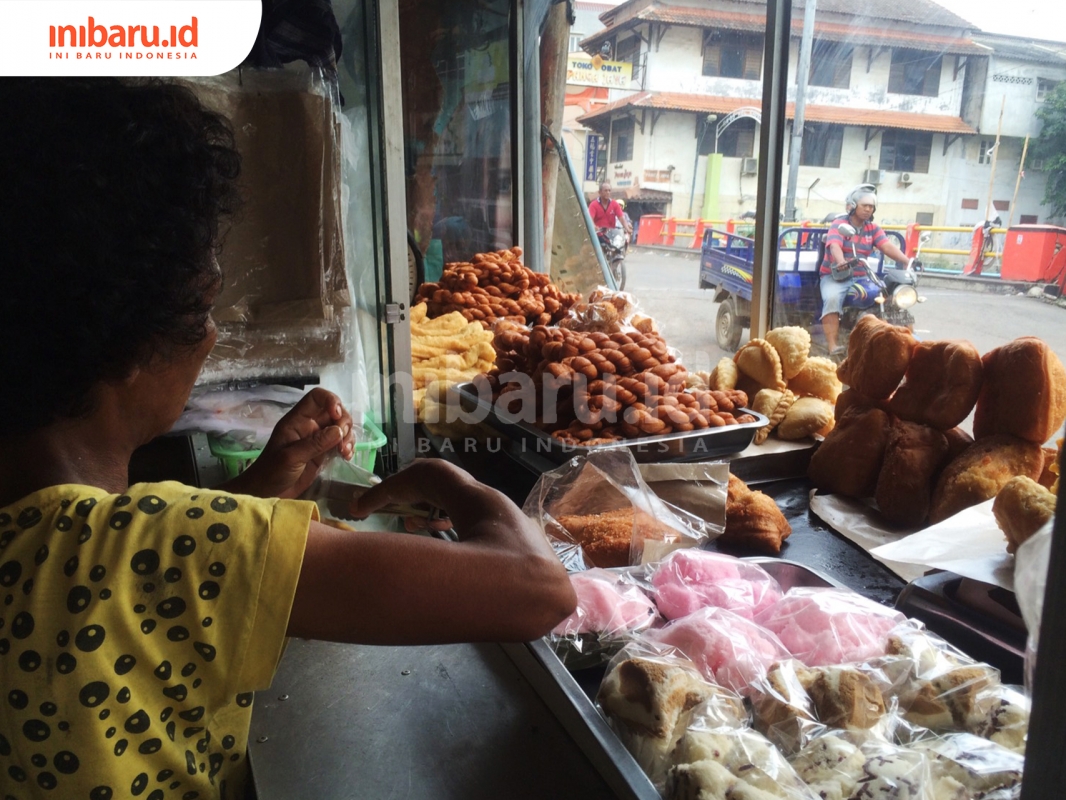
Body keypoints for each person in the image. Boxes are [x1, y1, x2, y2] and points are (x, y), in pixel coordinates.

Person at [0, 78, 576, 800]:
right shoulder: (165, 549)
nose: (211, 336)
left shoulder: (61, 533)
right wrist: (442, 478)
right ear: (130, 341)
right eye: (203, 310)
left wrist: (254, 494)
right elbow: (537, 590)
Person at [819, 184, 909, 355]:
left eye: (871, 206)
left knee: (890, 295)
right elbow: (834, 245)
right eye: (864, 205)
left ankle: (901, 337)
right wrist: (841, 261)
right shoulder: (839, 224)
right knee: (832, 299)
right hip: (836, 276)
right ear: (853, 205)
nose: (868, 209)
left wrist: (906, 260)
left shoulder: (872, 228)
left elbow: (886, 246)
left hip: (862, 276)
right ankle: (833, 345)